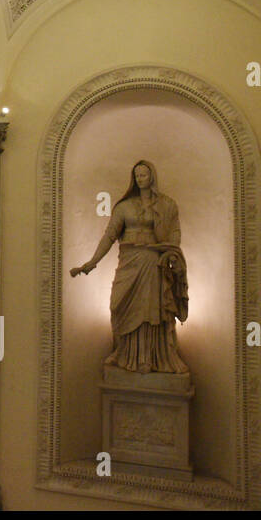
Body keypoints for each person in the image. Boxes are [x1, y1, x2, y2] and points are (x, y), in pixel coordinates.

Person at [70, 160, 189, 374]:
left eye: (144, 174)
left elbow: (174, 233)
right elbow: (109, 236)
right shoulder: (124, 207)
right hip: (129, 261)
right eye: (137, 175)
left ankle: (149, 358)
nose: (140, 178)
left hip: (153, 262)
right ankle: (124, 352)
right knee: (119, 305)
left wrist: (172, 253)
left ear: (152, 176)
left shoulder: (166, 205)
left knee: (150, 310)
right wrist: (91, 263)